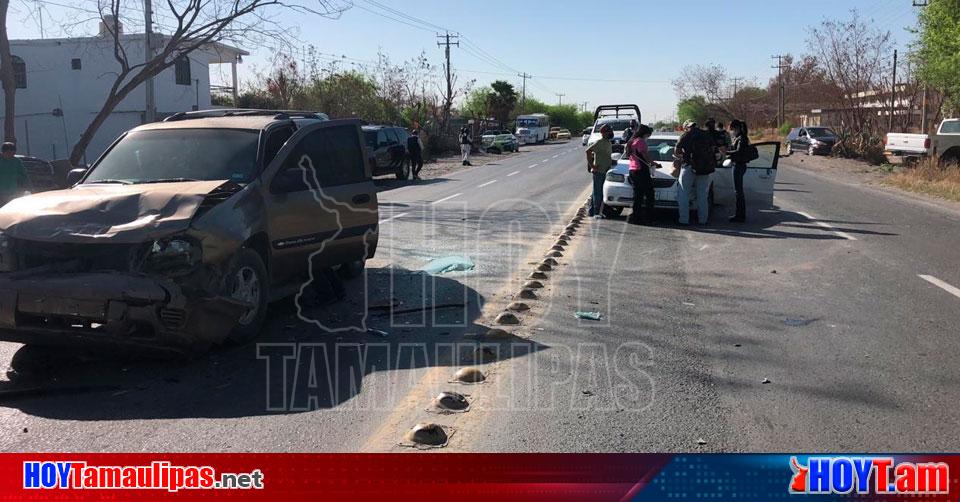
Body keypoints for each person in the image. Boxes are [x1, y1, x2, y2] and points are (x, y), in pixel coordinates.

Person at [674, 121, 715, 225]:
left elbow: (677, 151)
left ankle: (684, 220)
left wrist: (682, 155)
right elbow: (713, 149)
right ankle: (703, 220)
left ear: (687, 127)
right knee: (702, 195)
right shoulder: (706, 135)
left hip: (689, 167)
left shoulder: (686, 135)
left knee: (683, 193)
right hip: (704, 168)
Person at [625, 124, 655, 225]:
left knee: (638, 195)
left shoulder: (631, 141)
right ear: (645, 133)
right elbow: (645, 155)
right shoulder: (641, 142)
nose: (648, 137)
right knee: (650, 195)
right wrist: (653, 163)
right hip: (641, 170)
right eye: (648, 135)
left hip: (632, 170)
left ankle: (636, 217)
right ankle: (648, 218)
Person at [584, 124, 614, 218]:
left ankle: (593, 211)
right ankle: (596, 213)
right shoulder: (599, 142)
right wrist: (592, 165)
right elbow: (588, 151)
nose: (610, 133)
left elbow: (606, 156)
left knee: (598, 192)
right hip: (599, 171)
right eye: (608, 131)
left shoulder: (608, 143)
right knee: (598, 193)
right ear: (603, 133)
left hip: (606, 171)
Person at [726, 119, 751, 222]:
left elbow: (739, 152)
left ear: (735, 128)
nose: (731, 131)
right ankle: (739, 214)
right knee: (738, 191)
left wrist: (727, 152)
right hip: (738, 165)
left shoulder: (742, 138)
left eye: (732, 129)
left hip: (739, 165)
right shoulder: (739, 137)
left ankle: (740, 215)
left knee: (738, 192)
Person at [0, 142, 27, 208]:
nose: (11, 155)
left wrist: (29, 188)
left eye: (13, 153)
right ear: (3, 152)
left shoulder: (16, 161)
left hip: (13, 193)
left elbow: (24, 176)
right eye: (8, 153)